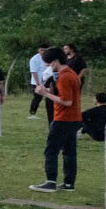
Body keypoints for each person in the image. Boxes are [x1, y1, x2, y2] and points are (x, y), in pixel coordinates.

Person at [31, 46, 83, 192]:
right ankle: (68, 183)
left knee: (51, 150)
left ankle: (50, 181)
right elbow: (67, 94)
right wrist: (49, 90)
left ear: (55, 61)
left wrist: (44, 94)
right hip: (74, 118)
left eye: (49, 64)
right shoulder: (72, 74)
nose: (49, 68)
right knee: (69, 151)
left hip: (63, 118)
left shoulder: (64, 77)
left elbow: (67, 101)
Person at [27, 46, 48, 118]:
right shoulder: (34, 59)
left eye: (44, 50)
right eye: (41, 50)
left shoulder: (48, 57)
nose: (43, 52)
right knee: (37, 98)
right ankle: (32, 113)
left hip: (47, 80)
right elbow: (34, 72)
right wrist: (37, 83)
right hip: (37, 81)